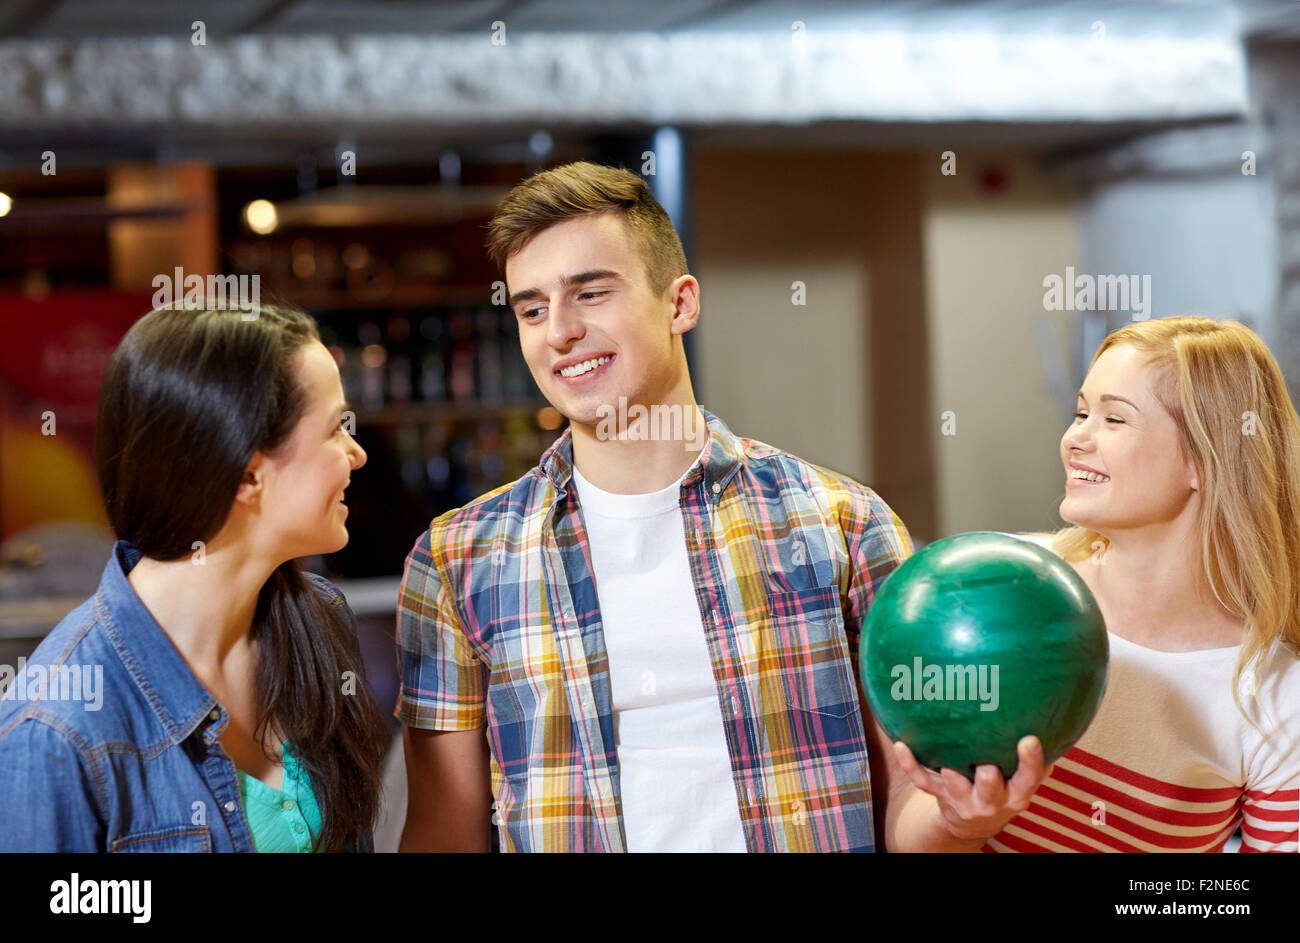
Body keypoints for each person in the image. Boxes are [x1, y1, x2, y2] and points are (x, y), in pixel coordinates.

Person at [395, 160, 1050, 852]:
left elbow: (905, 807)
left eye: (589, 294)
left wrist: (959, 820)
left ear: (679, 303)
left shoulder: (843, 525)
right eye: (532, 308)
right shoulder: (457, 559)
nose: (558, 331)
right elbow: (443, 833)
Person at [0, 303, 391, 852]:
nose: (357, 453)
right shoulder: (54, 730)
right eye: (334, 430)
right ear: (248, 474)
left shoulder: (319, 620)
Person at [982, 316, 1300, 852]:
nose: (1074, 439)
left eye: (1113, 419)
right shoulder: (1000, 582)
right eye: (1081, 411)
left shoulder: (1277, 695)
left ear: (1206, 456)